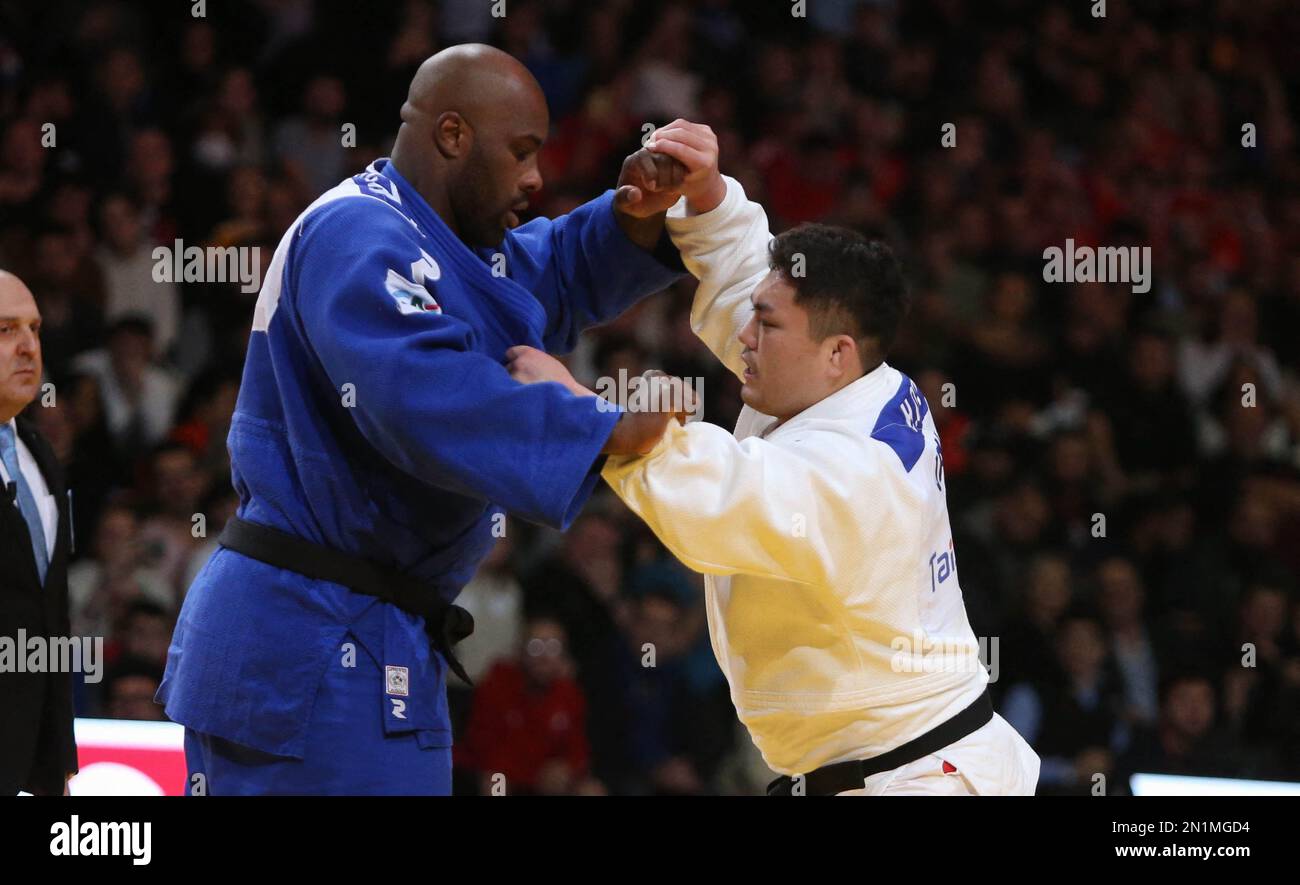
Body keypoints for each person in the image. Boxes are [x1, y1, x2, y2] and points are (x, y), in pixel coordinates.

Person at [158, 44, 687, 795]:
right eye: (522, 153)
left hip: (374, 633)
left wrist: (632, 219)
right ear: (451, 134)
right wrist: (591, 427)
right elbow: (417, 392)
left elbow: (545, 274)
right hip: (306, 639)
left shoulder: (438, 244)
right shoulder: (357, 233)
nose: (537, 180)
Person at [509, 121, 1040, 795]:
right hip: (877, 766)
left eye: (768, 325)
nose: (746, 335)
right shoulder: (843, 380)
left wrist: (582, 410)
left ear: (836, 351)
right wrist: (708, 193)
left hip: (918, 776)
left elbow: (727, 500)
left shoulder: (860, 472)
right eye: (758, 316)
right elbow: (745, 280)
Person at [0, 270, 78, 796]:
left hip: (31, 764)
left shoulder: (40, 453)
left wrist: (59, 762)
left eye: (35, 328)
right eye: (6, 330)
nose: (29, 347)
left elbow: (50, 616)